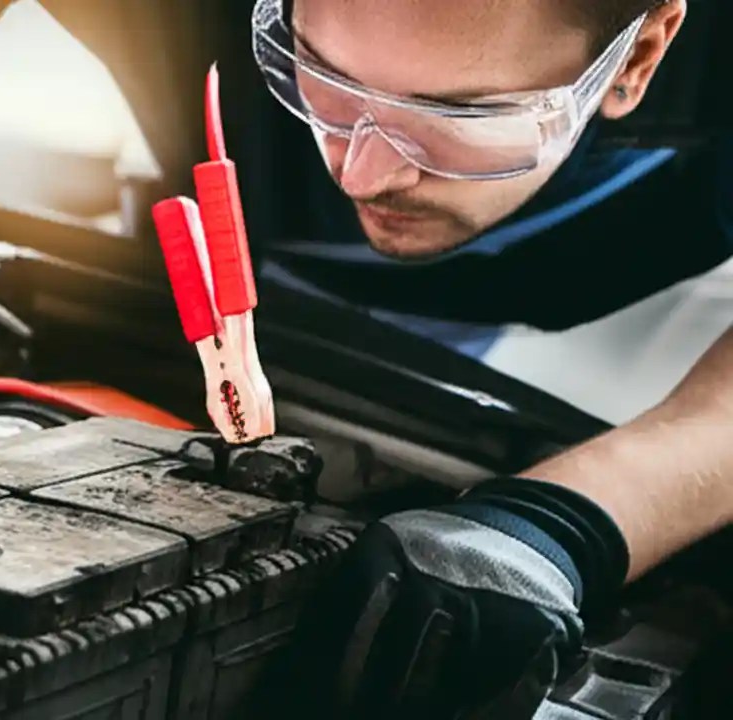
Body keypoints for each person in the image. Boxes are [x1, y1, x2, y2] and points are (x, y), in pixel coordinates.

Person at [238, 0, 733, 716]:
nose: (363, 176)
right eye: (320, 73)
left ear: (637, 57)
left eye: (457, 115)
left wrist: (566, 519)